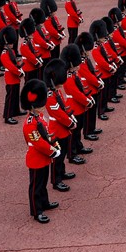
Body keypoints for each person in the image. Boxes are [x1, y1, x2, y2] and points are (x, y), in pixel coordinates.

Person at [21, 78, 60, 223]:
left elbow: (48, 133)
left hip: (44, 157)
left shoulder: (40, 117)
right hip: (36, 158)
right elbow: (37, 142)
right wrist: (52, 150)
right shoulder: (29, 124)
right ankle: (36, 211)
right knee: (36, 186)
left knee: (43, 183)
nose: (42, 107)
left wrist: (55, 144)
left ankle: (44, 202)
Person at [43, 59, 77, 193]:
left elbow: (64, 107)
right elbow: (57, 114)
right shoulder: (50, 95)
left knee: (62, 154)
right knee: (57, 156)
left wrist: (71, 116)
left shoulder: (56, 91)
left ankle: (62, 173)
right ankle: (56, 181)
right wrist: (70, 122)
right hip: (56, 129)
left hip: (62, 128)